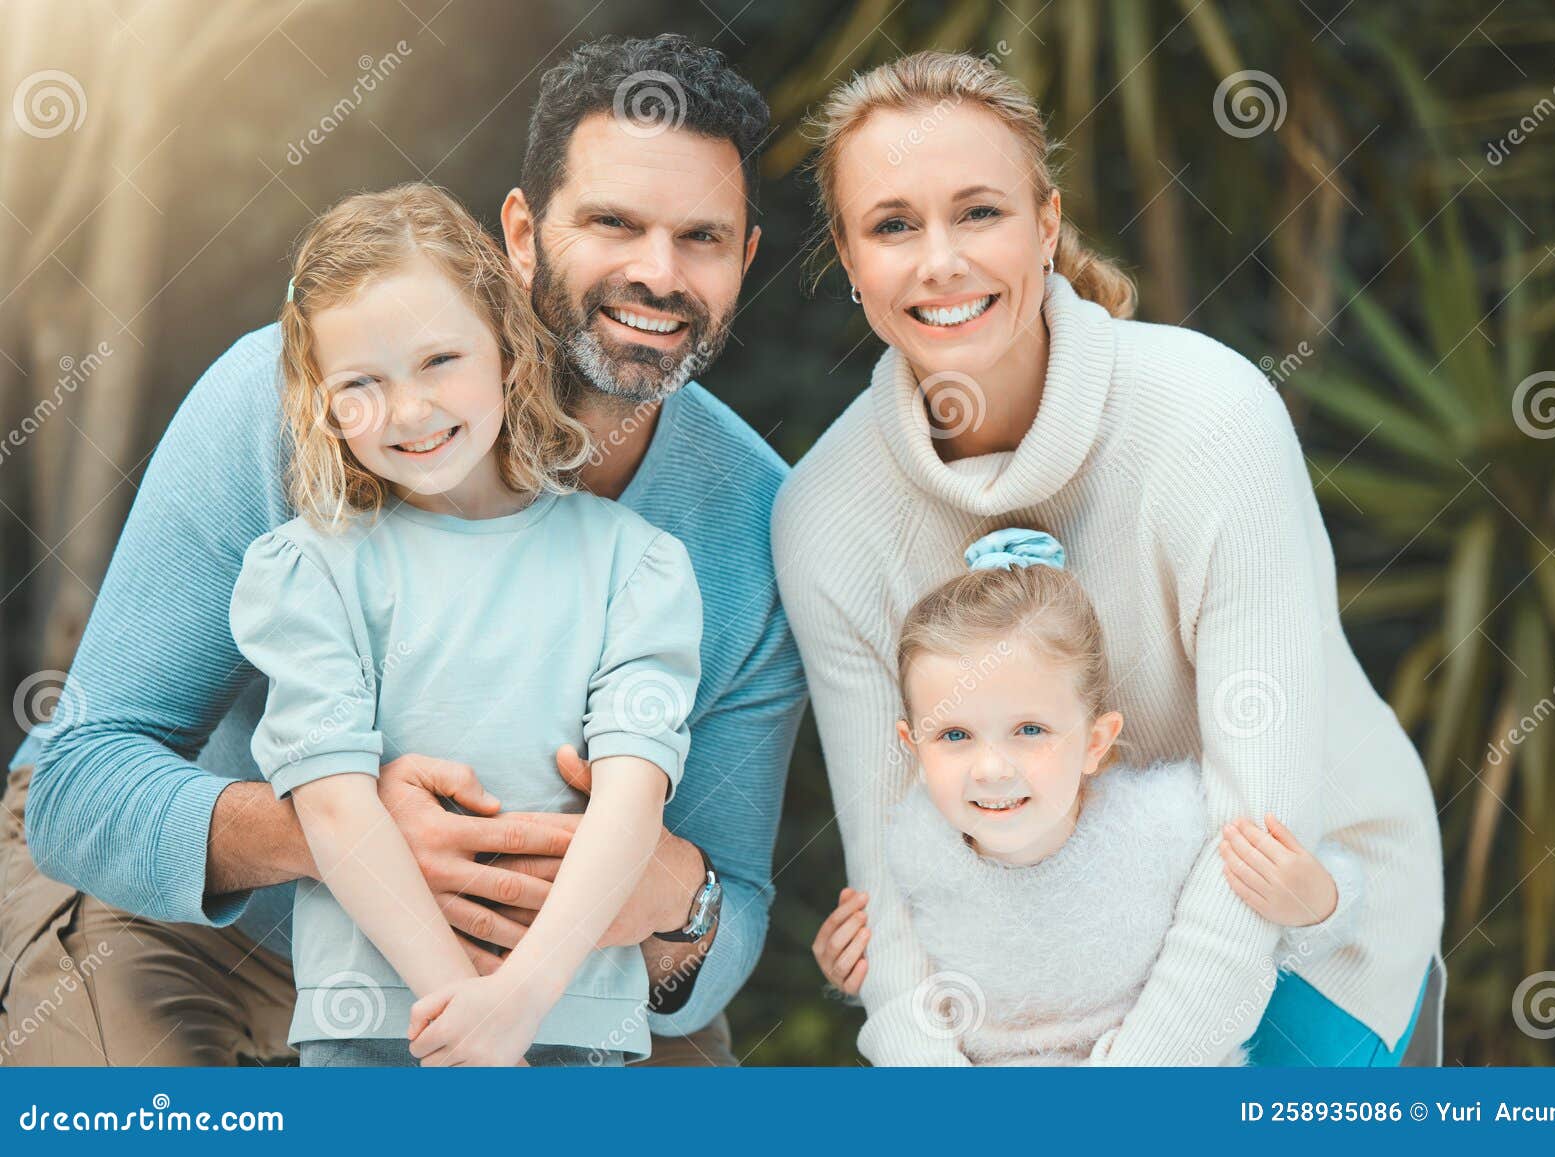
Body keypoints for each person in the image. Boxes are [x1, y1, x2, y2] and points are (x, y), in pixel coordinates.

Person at [0, 34, 804, 1068]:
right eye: (613, 223)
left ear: (742, 260)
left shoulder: (752, 525)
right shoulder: (292, 404)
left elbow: (723, 927)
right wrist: (331, 835)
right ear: (523, 232)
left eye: (700, 237)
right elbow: (79, 784)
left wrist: (677, 905)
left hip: (546, 974)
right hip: (202, 914)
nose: (657, 271)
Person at [774, 51, 1444, 1066]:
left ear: (1045, 225)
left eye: (980, 213)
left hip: (1299, 943)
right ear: (848, 256)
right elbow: (897, 887)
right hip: (1026, 984)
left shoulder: (1209, 418)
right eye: (893, 225)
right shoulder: (823, 514)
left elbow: (1255, 845)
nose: (939, 260)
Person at [235, 182, 702, 1067]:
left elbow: (632, 796)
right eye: (361, 384)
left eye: (439, 359)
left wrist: (520, 998)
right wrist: (468, 1016)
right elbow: (335, 807)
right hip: (378, 1029)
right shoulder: (309, 571)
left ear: (507, 349)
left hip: (570, 1019)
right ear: (322, 402)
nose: (408, 411)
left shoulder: (633, 565)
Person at [871, 526, 1380, 1065]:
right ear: (914, 748)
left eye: (1030, 731)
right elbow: (897, 971)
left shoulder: (1161, 824)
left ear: (1095, 743)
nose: (992, 769)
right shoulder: (916, 845)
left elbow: (1265, 935)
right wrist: (852, 962)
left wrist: (1313, 903)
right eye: (954, 736)